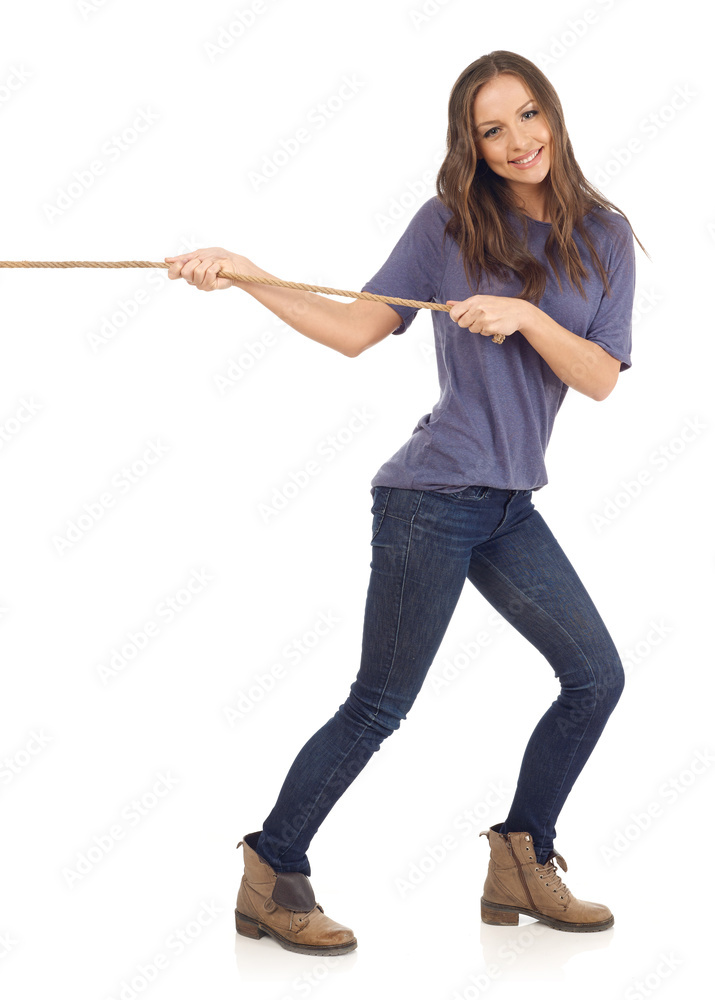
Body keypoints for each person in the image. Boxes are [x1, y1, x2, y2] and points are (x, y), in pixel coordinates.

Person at [164, 50, 645, 955]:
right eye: (490, 130)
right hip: (429, 498)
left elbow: (600, 380)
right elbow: (354, 329)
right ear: (470, 144)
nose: (516, 142)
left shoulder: (605, 237)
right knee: (379, 705)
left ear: (554, 116)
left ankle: (520, 859)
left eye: (527, 116)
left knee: (595, 677)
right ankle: (273, 871)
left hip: (508, 506)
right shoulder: (448, 226)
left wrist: (527, 316)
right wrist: (246, 271)